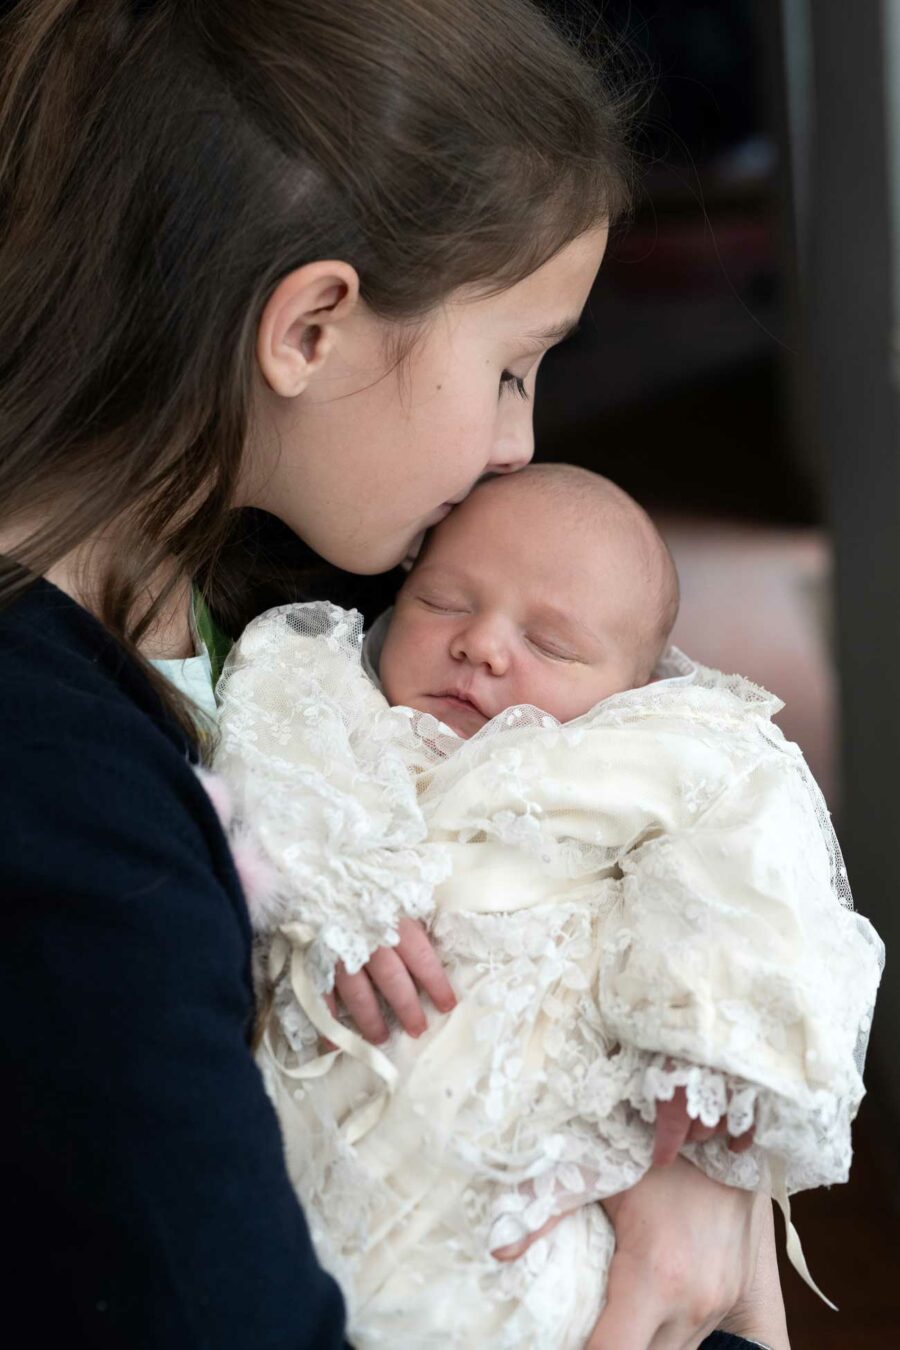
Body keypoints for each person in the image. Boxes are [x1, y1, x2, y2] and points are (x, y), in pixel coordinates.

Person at [0, 1, 784, 1346]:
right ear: (309, 330)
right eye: (510, 370)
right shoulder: (62, 813)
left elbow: (637, 743)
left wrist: (702, 1157)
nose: (516, 448)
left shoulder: (277, 569)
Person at [213, 465, 882, 1347]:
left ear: (637, 689)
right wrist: (342, 878)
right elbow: (273, 741)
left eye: (552, 645)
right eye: (445, 601)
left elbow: (754, 880)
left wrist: (710, 1049)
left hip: (542, 1171)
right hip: (322, 1152)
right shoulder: (332, 690)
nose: (483, 645)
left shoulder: (660, 751)